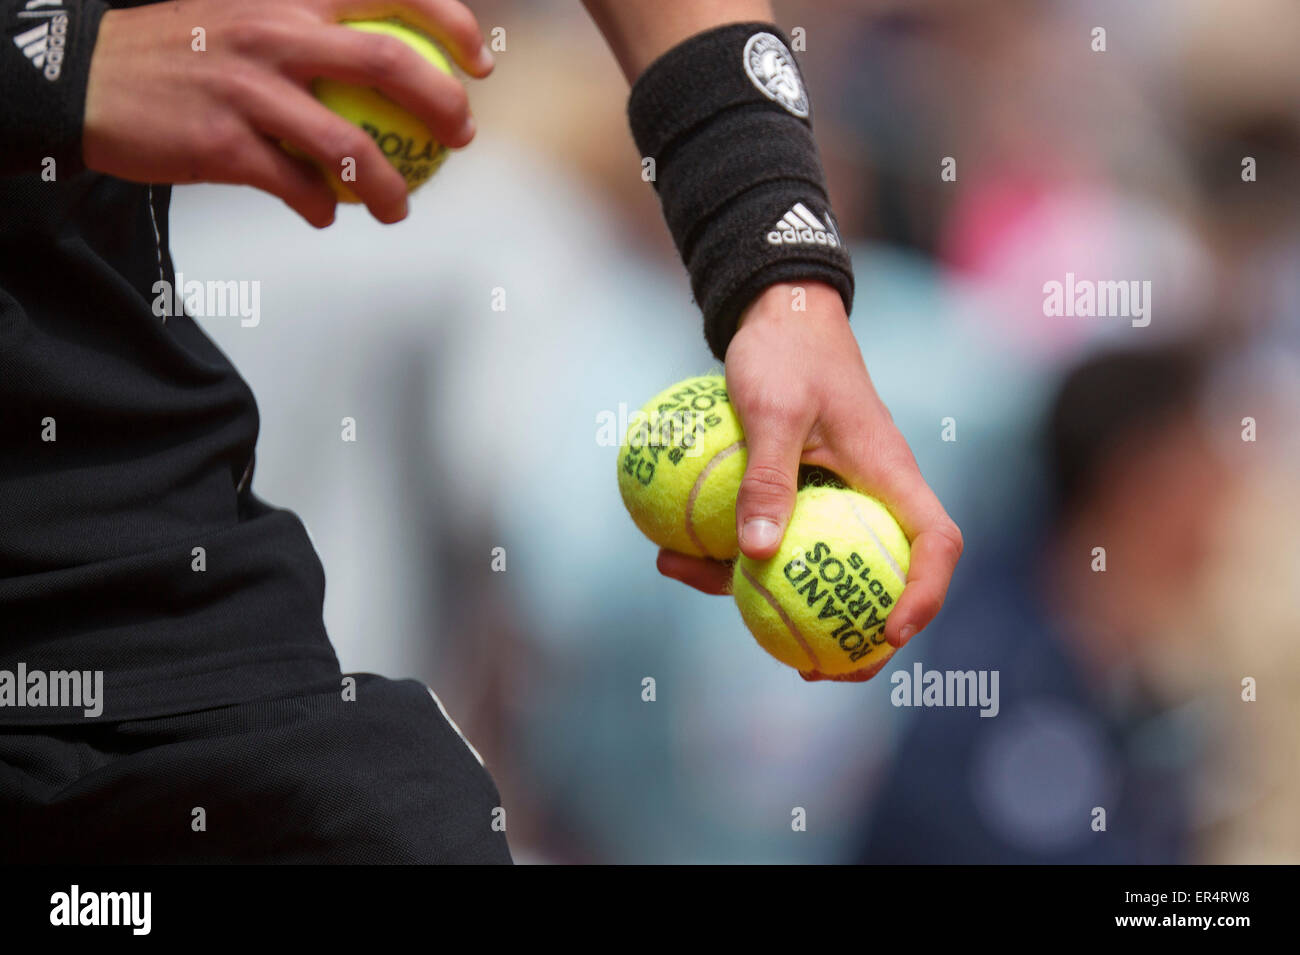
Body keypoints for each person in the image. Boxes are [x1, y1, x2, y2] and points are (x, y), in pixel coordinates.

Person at [0, 0, 960, 862]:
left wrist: (774, 260)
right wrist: (54, 64)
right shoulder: (505, 234)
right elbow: (565, 554)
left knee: (397, 810)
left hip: (133, 557)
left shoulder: (495, 233)